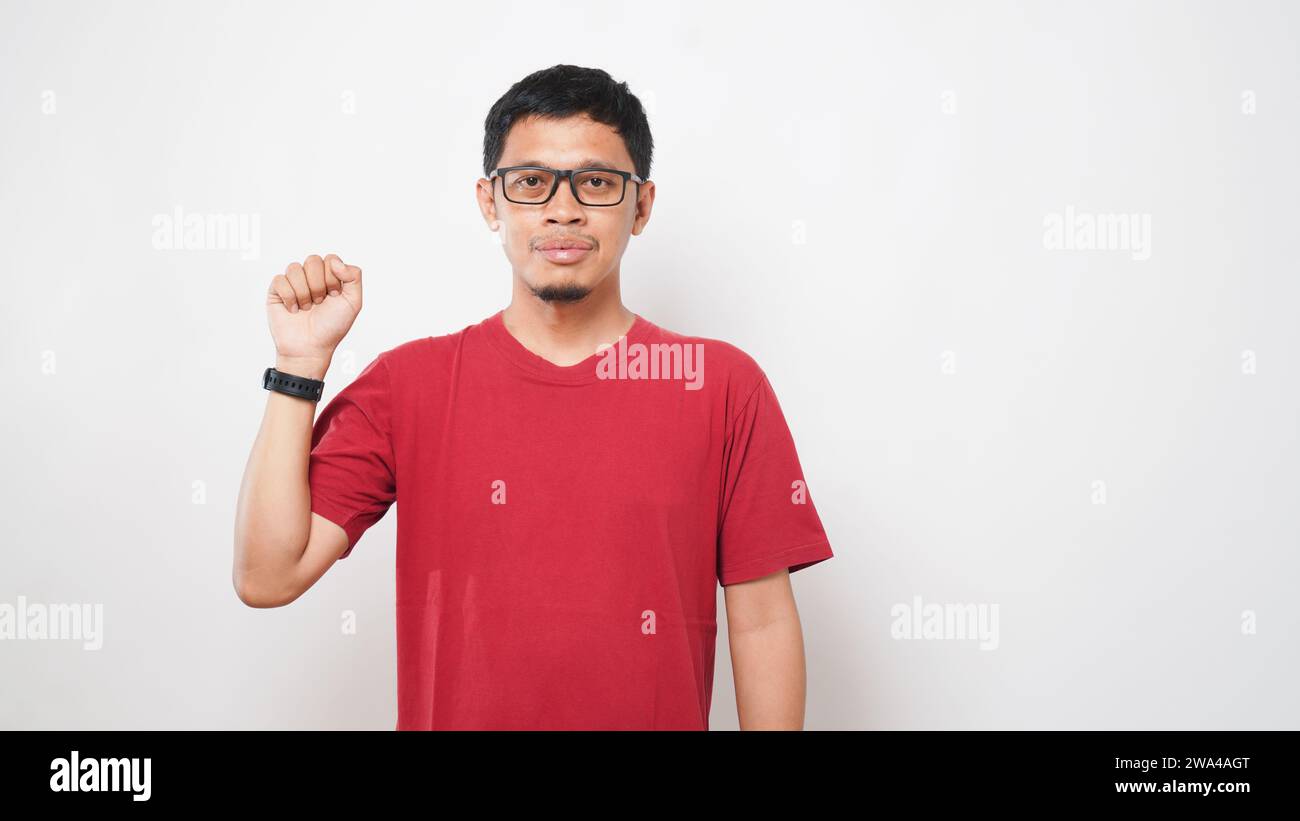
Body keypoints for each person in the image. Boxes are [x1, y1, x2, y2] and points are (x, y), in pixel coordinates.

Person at [233, 64, 834, 730]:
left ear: (642, 205)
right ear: (491, 202)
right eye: (531, 182)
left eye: (597, 182)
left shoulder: (720, 385)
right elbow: (267, 575)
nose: (563, 207)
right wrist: (298, 365)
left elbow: (763, 622)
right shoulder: (409, 386)